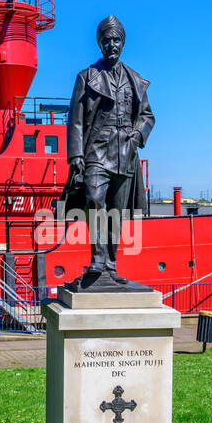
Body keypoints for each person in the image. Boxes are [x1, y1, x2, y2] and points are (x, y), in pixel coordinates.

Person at [62, 15, 154, 289]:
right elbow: (75, 119)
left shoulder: (135, 79)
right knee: (93, 200)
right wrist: (76, 154)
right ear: (99, 44)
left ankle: (110, 266)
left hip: (125, 152)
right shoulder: (86, 77)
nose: (111, 45)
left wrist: (136, 136)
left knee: (117, 211)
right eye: (106, 40)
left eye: (116, 40)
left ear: (122, 43)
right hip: (96, 151)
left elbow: (148, 116)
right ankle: (97, 259)